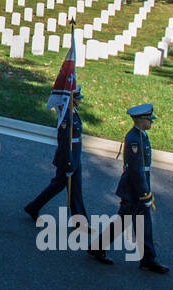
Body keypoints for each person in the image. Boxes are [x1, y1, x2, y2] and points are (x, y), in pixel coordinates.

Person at [24, 87, 112, 265]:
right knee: (57, 185)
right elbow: (64, 142)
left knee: (76, 190)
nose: (80, 100)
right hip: (68, 158)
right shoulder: (66, 116)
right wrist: (69, 163)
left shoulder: (72, 112)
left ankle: (80, 221)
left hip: (75, 156)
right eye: (77, 98)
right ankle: (33, 207)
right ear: (71, 99)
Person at [117, 103, 168, 274]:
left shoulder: (141, 135)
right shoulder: (134, 139)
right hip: (135, 190)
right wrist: (145, 194)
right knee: (142, 224)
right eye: (148, 119)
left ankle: (96, 247)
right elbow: (136, 171)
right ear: (140, 120)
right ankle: (148, 260)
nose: (151, 122)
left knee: (127, 222)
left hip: (138, 188)